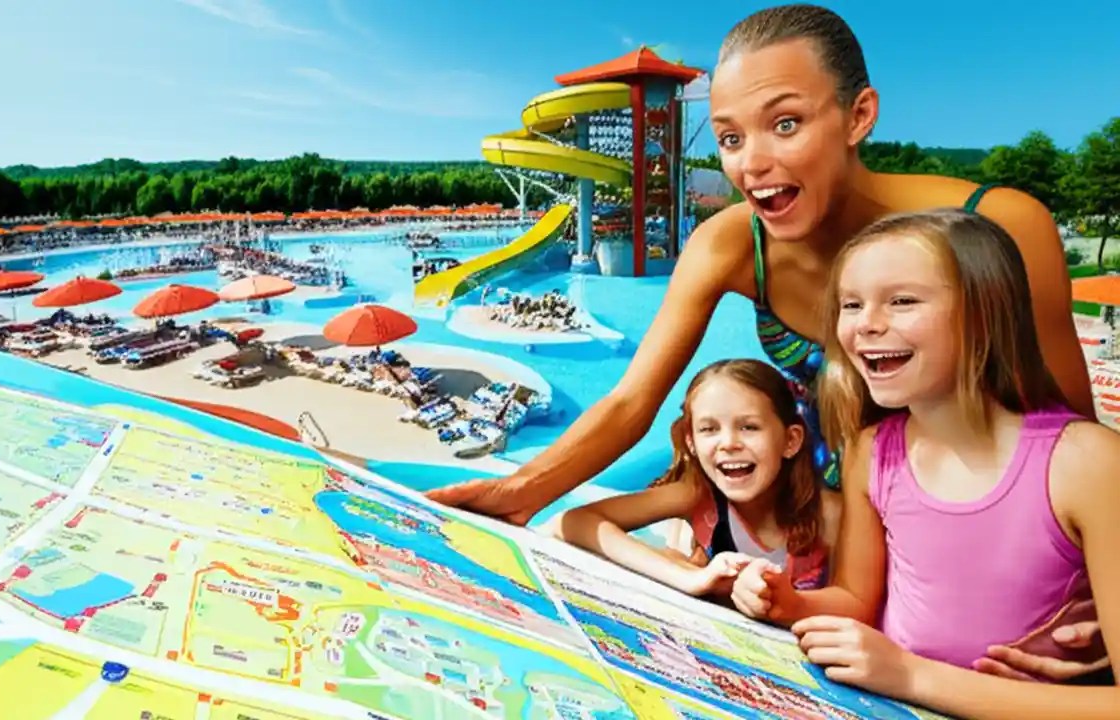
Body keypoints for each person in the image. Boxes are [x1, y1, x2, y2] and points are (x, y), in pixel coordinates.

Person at [425, 3, 1100, 680]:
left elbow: (1064, 426)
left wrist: (1087, 591)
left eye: (786, 123)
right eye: (728, 138)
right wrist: (521, 491)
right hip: (813, 517)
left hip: (949, 526)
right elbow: (633, 401)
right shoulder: (731, 240)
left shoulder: (998, 228)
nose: (753, 163)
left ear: (859, 116)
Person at [727, 209, 1117, 718]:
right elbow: (857, 601)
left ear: (985, 312)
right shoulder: (873, 452)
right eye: (850, 304)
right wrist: (789, 603)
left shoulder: (1085, 464)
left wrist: (912, 675)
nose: (866, 323)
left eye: (902, 301)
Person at [550, 358, 840, 598]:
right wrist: (688, 576)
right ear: (691, 442)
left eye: (749, 427)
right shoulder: (699, 496)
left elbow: (855, 606)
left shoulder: (828, 515)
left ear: (791, 440)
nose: (728, 443)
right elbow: (574, 522)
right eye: (709, 429)